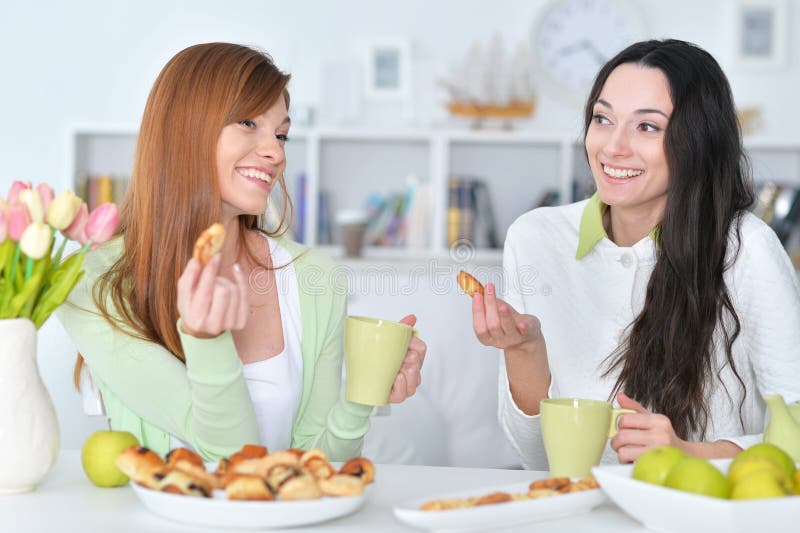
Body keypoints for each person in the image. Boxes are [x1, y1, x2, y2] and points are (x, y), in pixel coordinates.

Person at [57, 42, 426, 462]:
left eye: (282, 134)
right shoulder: (94, 281)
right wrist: (206, 340)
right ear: (184, 129)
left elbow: (318, 466)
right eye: (249, 123)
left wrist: (363, 394)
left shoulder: (312, 277)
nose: (277, 152)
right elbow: (232, 456)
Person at [470, 39, 800, 469]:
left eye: (647, 127)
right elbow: (538, 459)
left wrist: (688, 454)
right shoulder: (536, 238)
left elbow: (794, 437)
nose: (613, 147)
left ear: (696, 140)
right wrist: (525, 351)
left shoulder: (746, 249)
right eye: (603, 119)